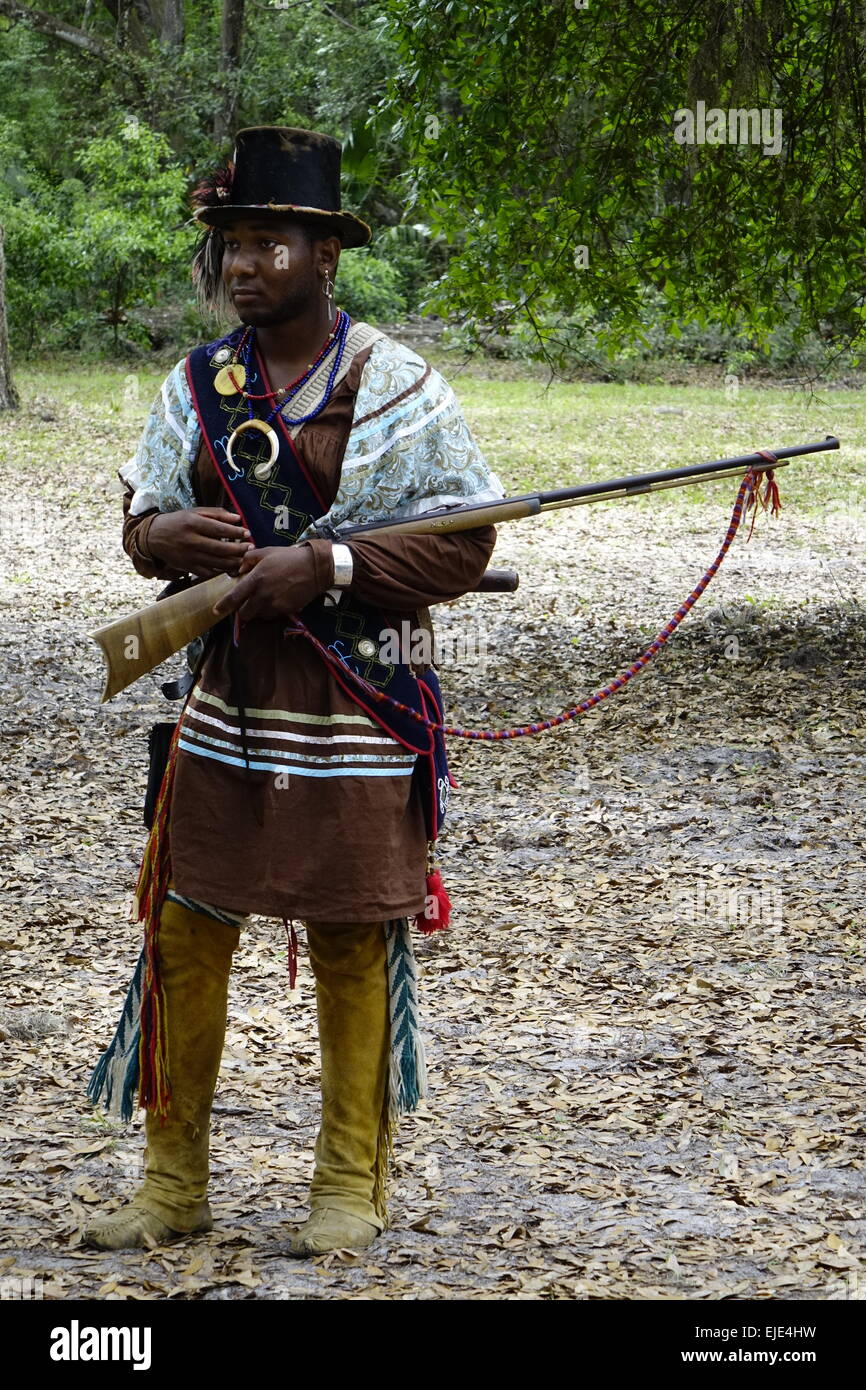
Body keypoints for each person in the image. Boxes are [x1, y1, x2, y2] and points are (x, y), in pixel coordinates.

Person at [83, 126, 503, 1256]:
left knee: (351, 935)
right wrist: (165, 531)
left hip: (360, 697)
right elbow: (139, 528)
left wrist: (327, 565)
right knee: (183, 925)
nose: (242, 265)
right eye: (230, 244)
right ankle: (173, 1186)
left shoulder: (395, 381)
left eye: (269, 242)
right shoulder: (195, 384)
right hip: (223, 697)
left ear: (325, 255)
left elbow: (462, 547)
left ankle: (347, 1187)